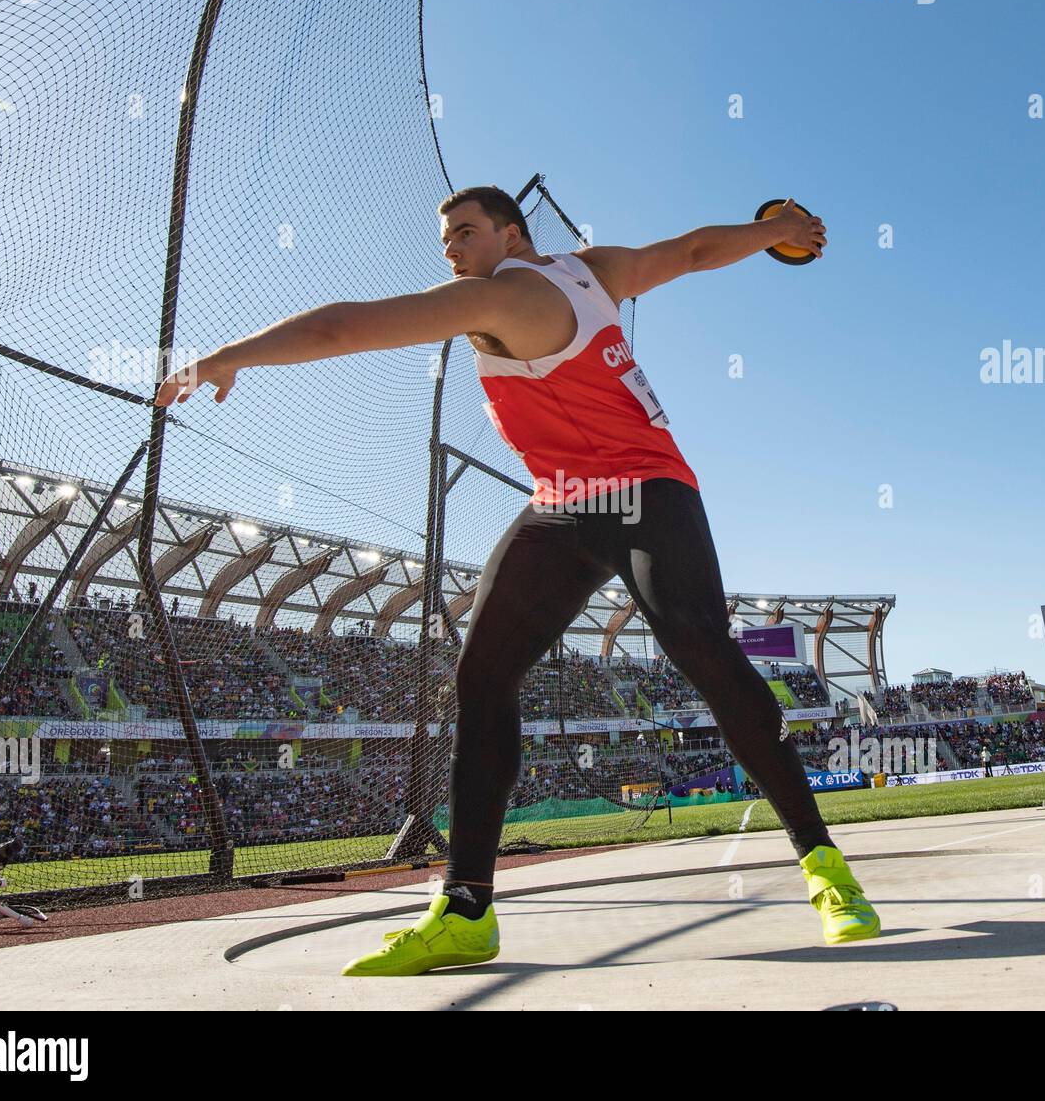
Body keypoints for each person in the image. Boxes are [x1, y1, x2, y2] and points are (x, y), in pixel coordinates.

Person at [155, 185, 877, 978]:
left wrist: (230, 356)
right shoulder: (595, 270)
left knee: (701, 648)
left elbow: (343, 327)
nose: (451, 249)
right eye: (446, 238)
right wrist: (774, 229)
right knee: (482, 675)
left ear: (512, 234)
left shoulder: (504, 297)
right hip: (563, 506)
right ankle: (466, 910)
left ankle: (824, 866)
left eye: (465, 232)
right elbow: (693, 251)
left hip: (645, 493)